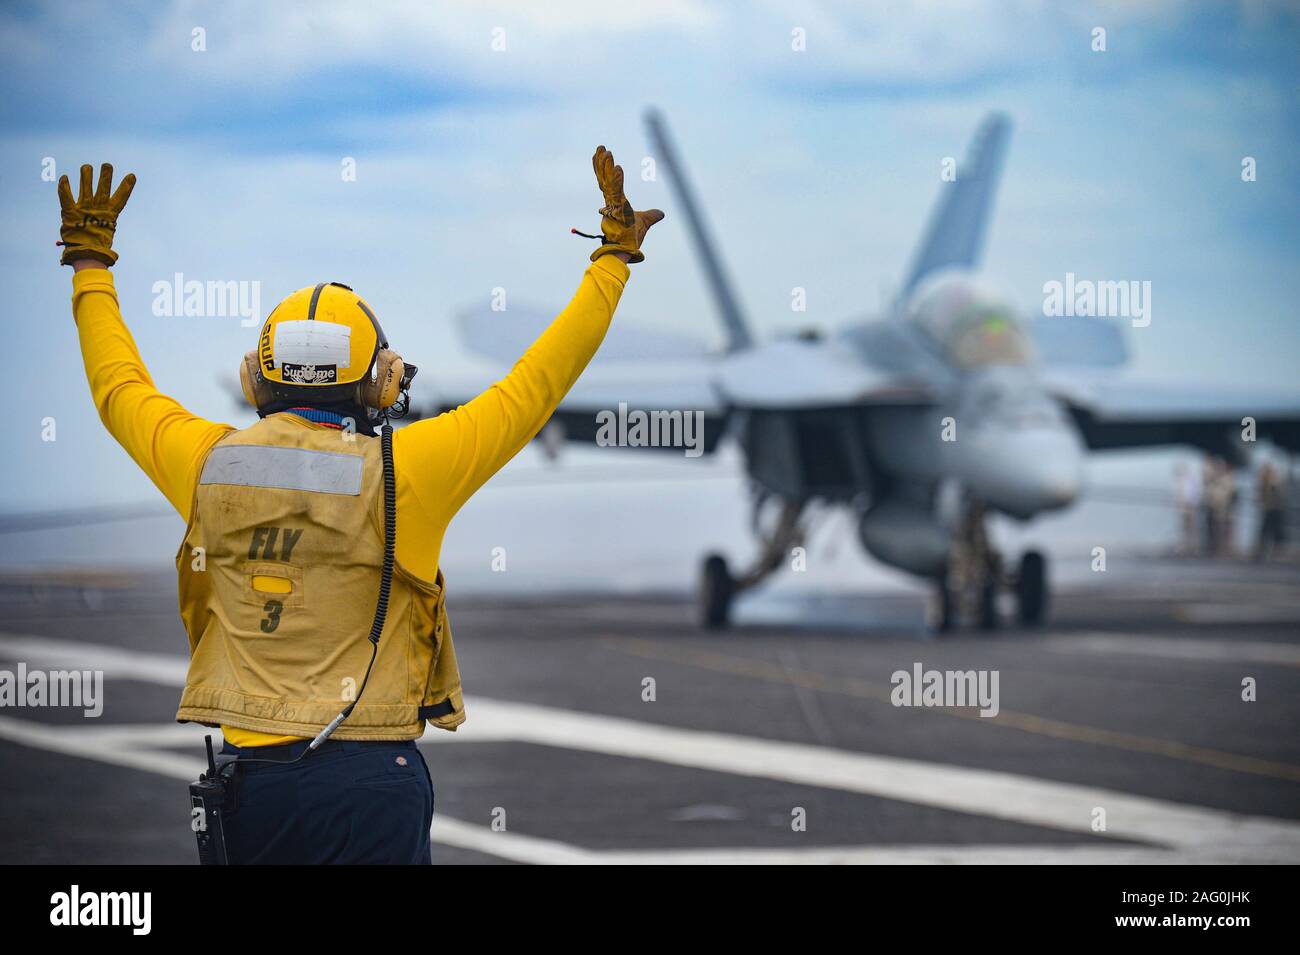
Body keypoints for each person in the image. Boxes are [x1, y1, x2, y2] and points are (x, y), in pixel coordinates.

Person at [57, 153, 663, 863]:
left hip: (254, 788)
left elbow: (118, 389)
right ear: (381, 383)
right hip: (373, 783)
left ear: (256, 378)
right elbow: (535, 385)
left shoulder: (206, 463)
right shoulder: (411, 470)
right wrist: (611, 261)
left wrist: (90, 264)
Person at [1255, 461, 1287, 560]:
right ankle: (1263, 552)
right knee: (1265, 532)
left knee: (1274, 532)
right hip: (1268, 510)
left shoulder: (1274, 483)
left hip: (1275, 510)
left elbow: (1278, 498)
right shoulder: (1264, 483)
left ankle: (1275, 554)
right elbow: (1261, 497)